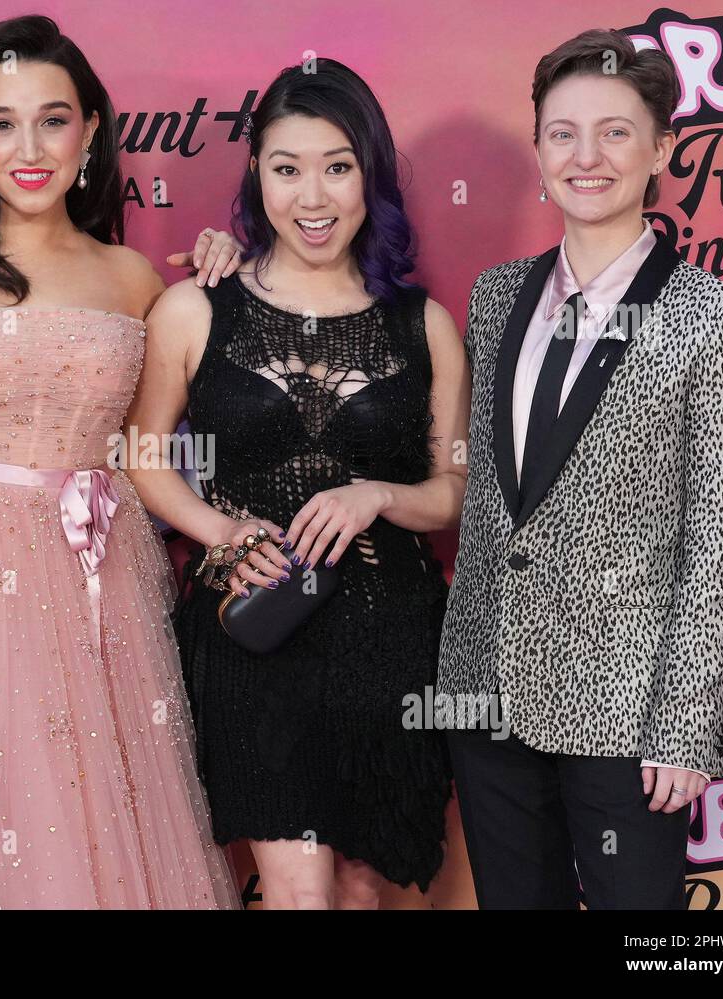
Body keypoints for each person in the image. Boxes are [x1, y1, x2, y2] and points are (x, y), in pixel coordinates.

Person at [0, 15, 239, 908]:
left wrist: (238, 264)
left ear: (93, 131)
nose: (28, 148)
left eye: (52, 119)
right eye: (1, 123)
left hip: (99, 562)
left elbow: (176, 428)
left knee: (94, 794)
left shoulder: (138, 278)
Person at [435, 28, 723, 909]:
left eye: (616, 132)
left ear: (661, 147)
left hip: (629, 712)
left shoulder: (720, 319)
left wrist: (687, 723)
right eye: (562, 133)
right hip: (487, 689)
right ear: (540, 150)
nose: (586, 157)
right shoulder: (497, 293)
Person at [126, 58, 469, 909]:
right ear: (257, 173)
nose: (312, 197)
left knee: (362, 887)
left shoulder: (424, 325)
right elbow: (137, 454)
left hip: (389, 636)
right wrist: (221, 533)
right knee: (299, 889)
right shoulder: (196, 309)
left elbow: (450, 491)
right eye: (287, 169)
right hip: (258, 629)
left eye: (337, 167)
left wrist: (377, 496)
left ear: (369, 175)